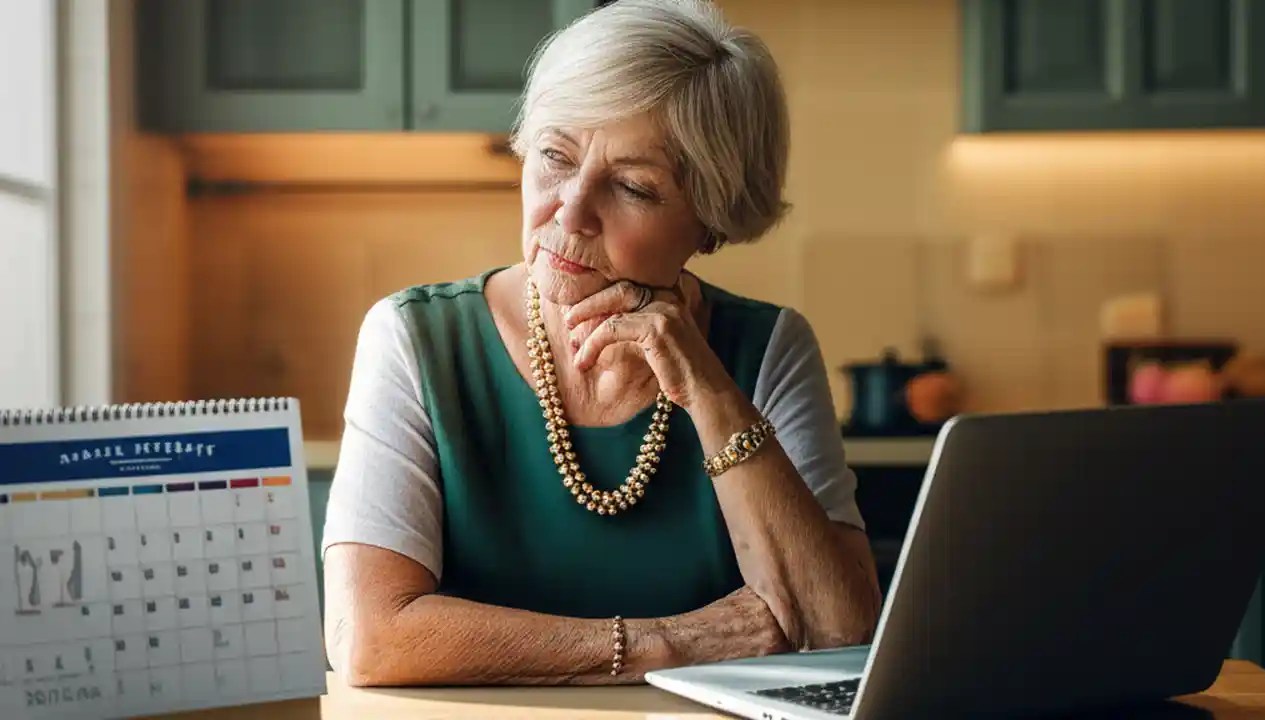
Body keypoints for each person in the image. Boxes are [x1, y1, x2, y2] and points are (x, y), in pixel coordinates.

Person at [321, 0, 882, 687]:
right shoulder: (413, 338)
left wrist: (707, 390)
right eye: (556, 156)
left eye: (632, 187)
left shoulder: (768, 347)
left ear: (710, 221)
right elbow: (371, 641)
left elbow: (837, 631)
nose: (572, 209)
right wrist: (671, 642)